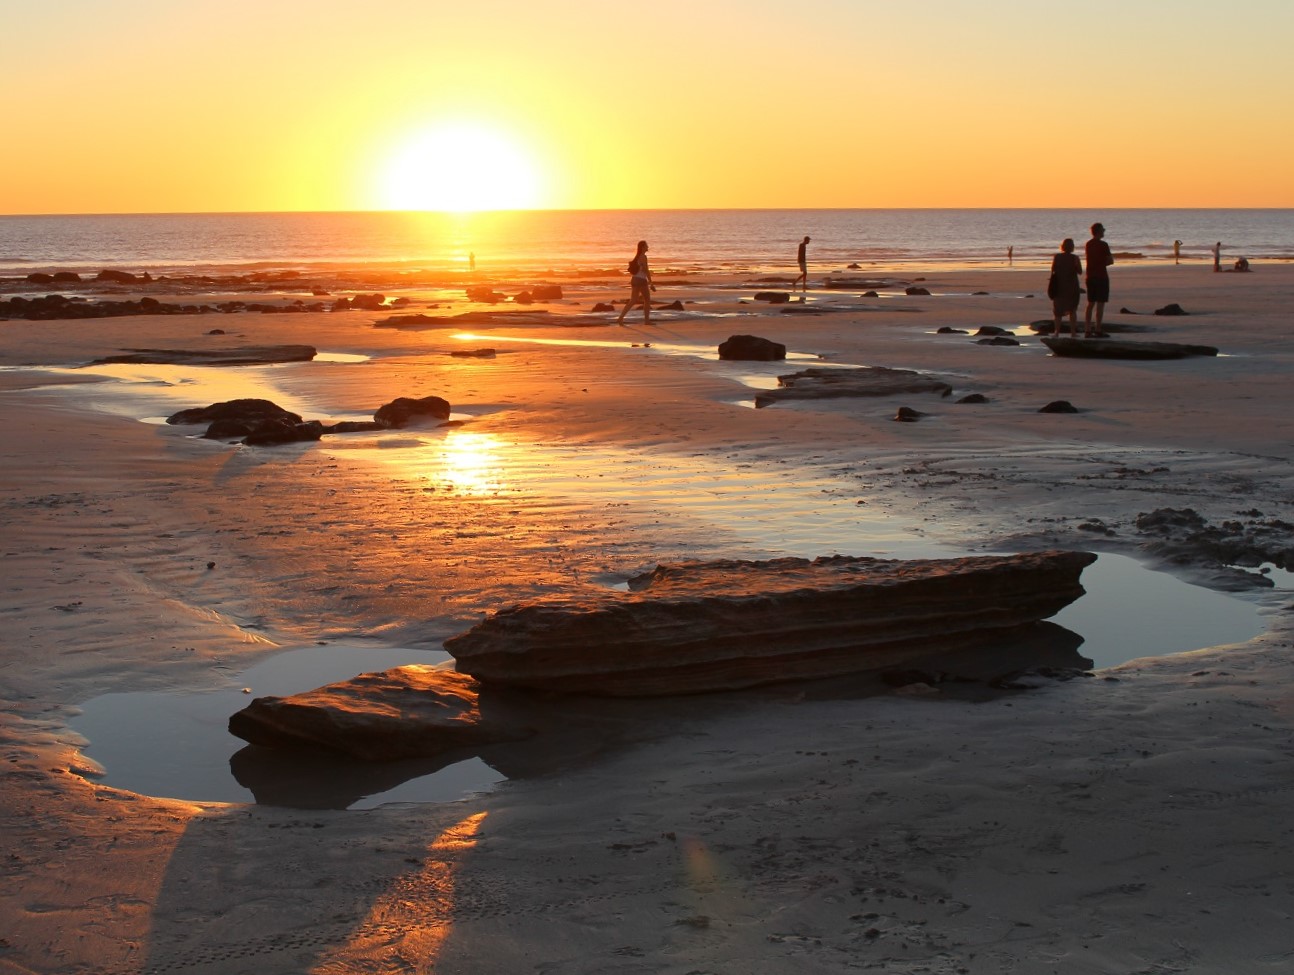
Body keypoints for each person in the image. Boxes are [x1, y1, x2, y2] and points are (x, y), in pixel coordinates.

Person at [1083, 222, 1114, 338]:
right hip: (1101, 276)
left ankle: (1087, 329)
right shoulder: (1103, 245)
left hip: (1090, 276)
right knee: (1100, 304)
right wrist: (1103, 263)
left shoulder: (1088, 244)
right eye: (1103, 230)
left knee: (1091, 303)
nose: (1104, 231)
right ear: (1099, 231)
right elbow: (1110, 260)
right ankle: (1098, 328)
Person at [615, 240, 655, 326]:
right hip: (641, 280)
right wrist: (651, 282)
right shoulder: (643, 257)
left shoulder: (637, 256)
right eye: (646, 245)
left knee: (633, 300)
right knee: (647, 299)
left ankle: (620, 318)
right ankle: (647, 321)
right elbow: (646, 270)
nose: (648, 247)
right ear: (643, 247)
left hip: (634, 279)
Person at [1049, 238, 1083, 337]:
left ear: (1062, 246)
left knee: (1058, 310)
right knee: (1072, 309)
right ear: (1072, 247)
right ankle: (1073, 332)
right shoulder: (1075, 258)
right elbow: (1080, 271)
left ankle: (1056, 332)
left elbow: (1053, 269)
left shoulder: (1057, 257)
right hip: (1072, 286)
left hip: (1059, 285)